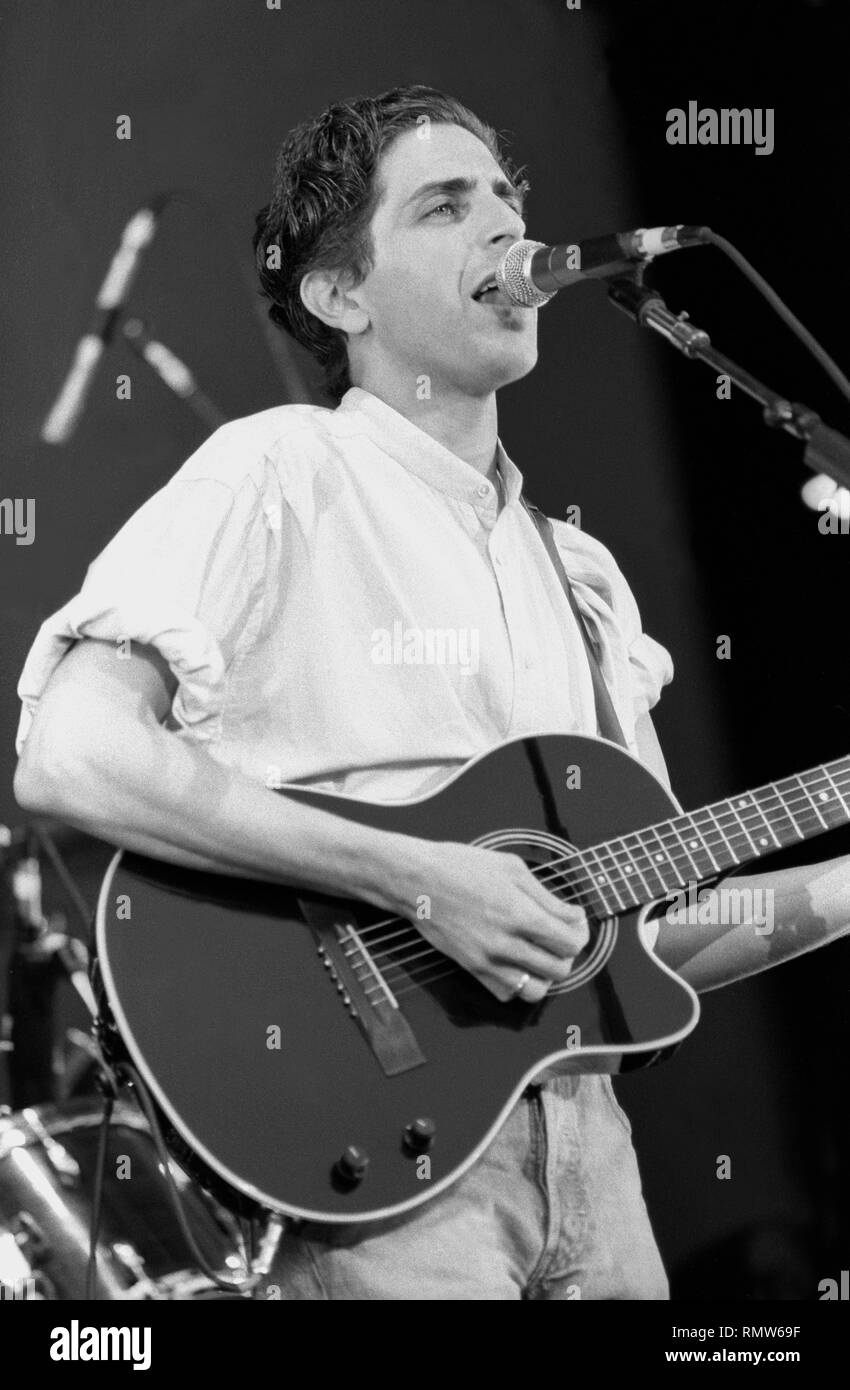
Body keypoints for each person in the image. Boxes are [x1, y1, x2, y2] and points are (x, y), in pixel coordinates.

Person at [13, 85, 850, 1301]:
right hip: (375, 1180)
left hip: (596, 1167)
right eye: (446, 207)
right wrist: (418, 877)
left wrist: (836, 892)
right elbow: (71, 753)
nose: (506, 231)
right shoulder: (280, 471)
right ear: (339, 296)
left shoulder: (582, 575)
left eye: (507, 197)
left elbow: (635, 935)